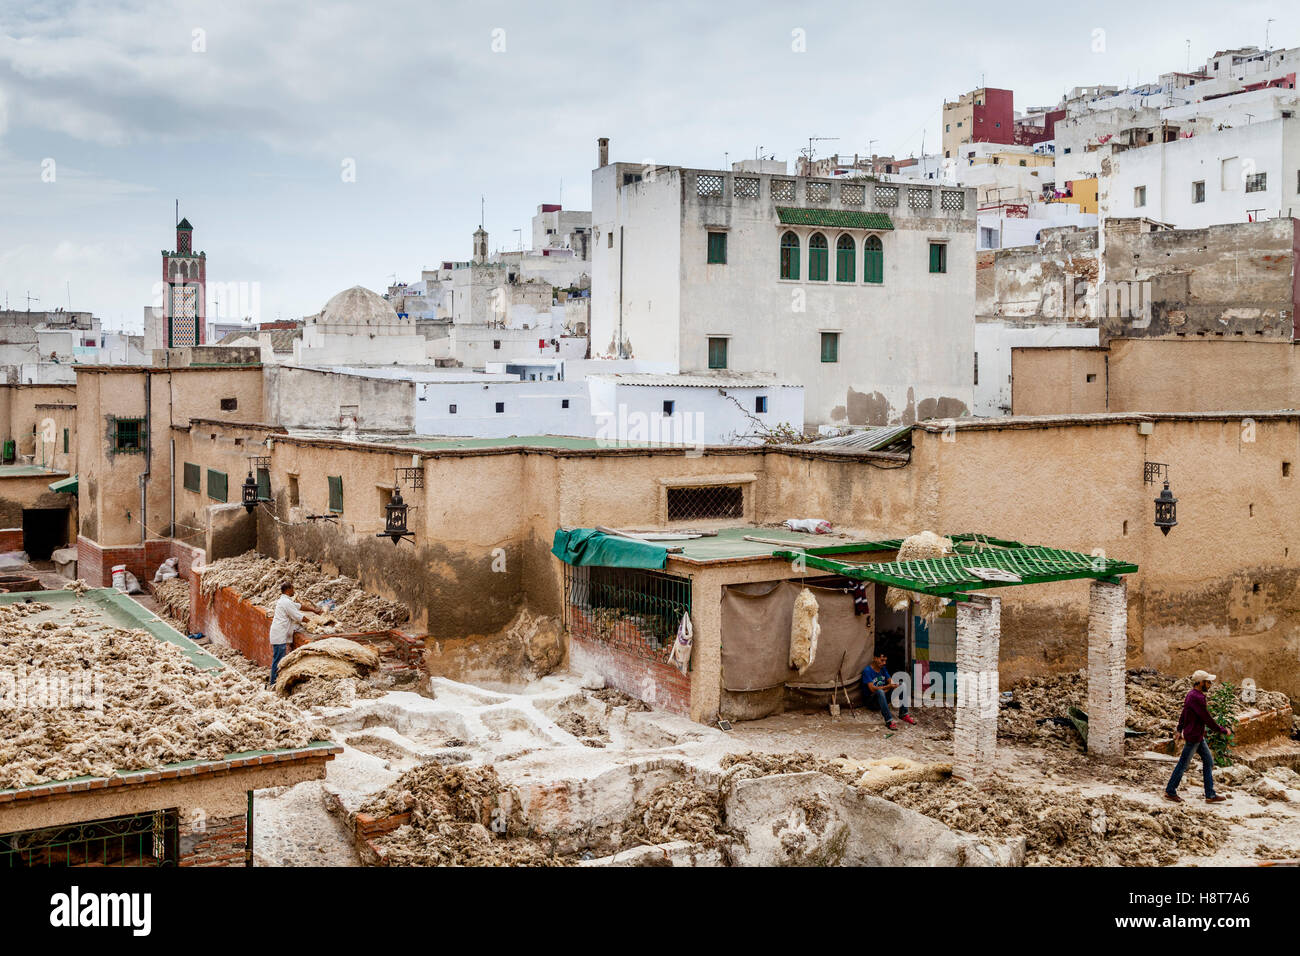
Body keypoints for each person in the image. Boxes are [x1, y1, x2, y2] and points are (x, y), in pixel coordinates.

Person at [1164, 669, 1233, 804]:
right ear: (1201, 683)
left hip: (1197, 736)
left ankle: (1210, 794)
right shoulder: (1198, 698)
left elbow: (1184, 713)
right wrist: (1223, 730)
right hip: (1194, 736)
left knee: (1208, 762)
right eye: (1208, 682)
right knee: (1183, 764)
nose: (1210, 685)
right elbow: (1207, 718)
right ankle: (1170, 791)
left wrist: (1179, 728)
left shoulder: (1191, 695)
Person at [267, 581, 321, 688]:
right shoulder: (286, 603)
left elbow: (299, 606)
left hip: (279, 634)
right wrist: (315, 623)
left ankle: (274, 682)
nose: (294, 591)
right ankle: (273, 683)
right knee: (278, 660)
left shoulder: (286, 601)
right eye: (292, 589)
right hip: (279, 635)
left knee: (279, 658)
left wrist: (314, 610)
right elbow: (298, 616)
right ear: (288, 590)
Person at [862, 652, 915, 729]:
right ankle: (889, 721)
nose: (884, 663)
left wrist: (894, 685)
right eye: (882, 660)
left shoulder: (883, 669)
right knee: (880, 692)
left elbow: (891, 681)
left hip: (883, 696)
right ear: (875, 658)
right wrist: (888, 687)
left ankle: (903, 714)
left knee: (902, 685)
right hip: (872, 701)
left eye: (885, 661)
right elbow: (872, 689)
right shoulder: (867, 671)